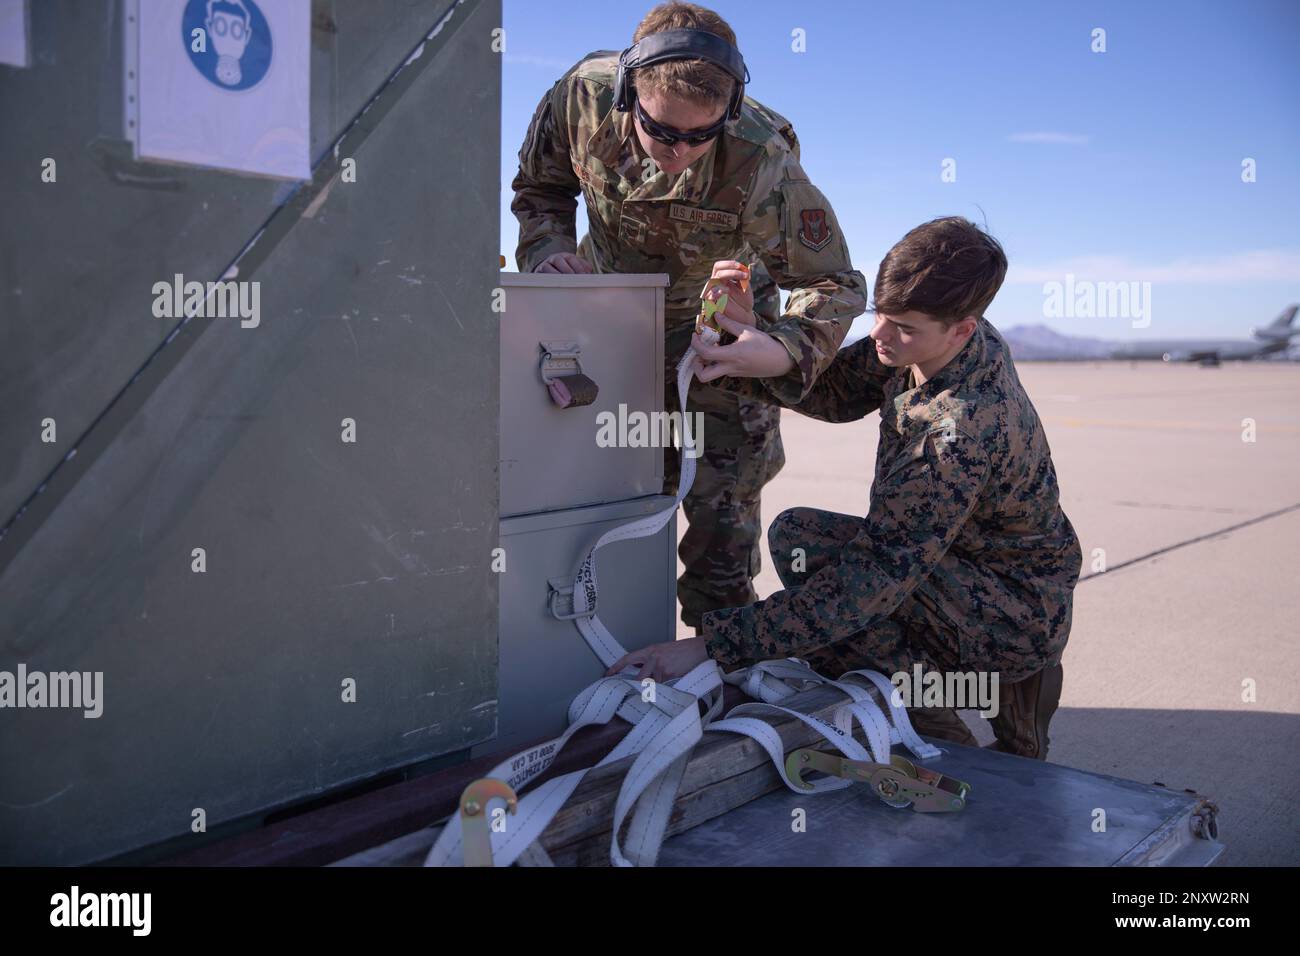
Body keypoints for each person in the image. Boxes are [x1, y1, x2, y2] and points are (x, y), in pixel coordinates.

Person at [607, 217, 1083, 760]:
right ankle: (972, 692)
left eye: (902, 326)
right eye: (880, 315)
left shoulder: (955, 434)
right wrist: (751, 339)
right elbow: (835, 393)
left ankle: (940, 721)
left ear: (963, 329)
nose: (879, 335)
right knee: (801, 537)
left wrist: (710, 646)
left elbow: (869, 583)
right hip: (963, 569)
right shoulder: (931, 342)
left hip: (1011, 615)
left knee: (838, 589)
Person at [511, 2, 868, 634]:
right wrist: (551, 252)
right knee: (602, 495)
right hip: (613, 325)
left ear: (727, 114)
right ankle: (601, 654)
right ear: (628, 95)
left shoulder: (762, 160)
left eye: (701, 136)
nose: (680, 152)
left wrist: (781, 349)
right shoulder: (581, 97)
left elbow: (832, 282)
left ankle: (716, 669)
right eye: (663, 132)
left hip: (722, 342)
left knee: (721, 523)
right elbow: (541, 189)